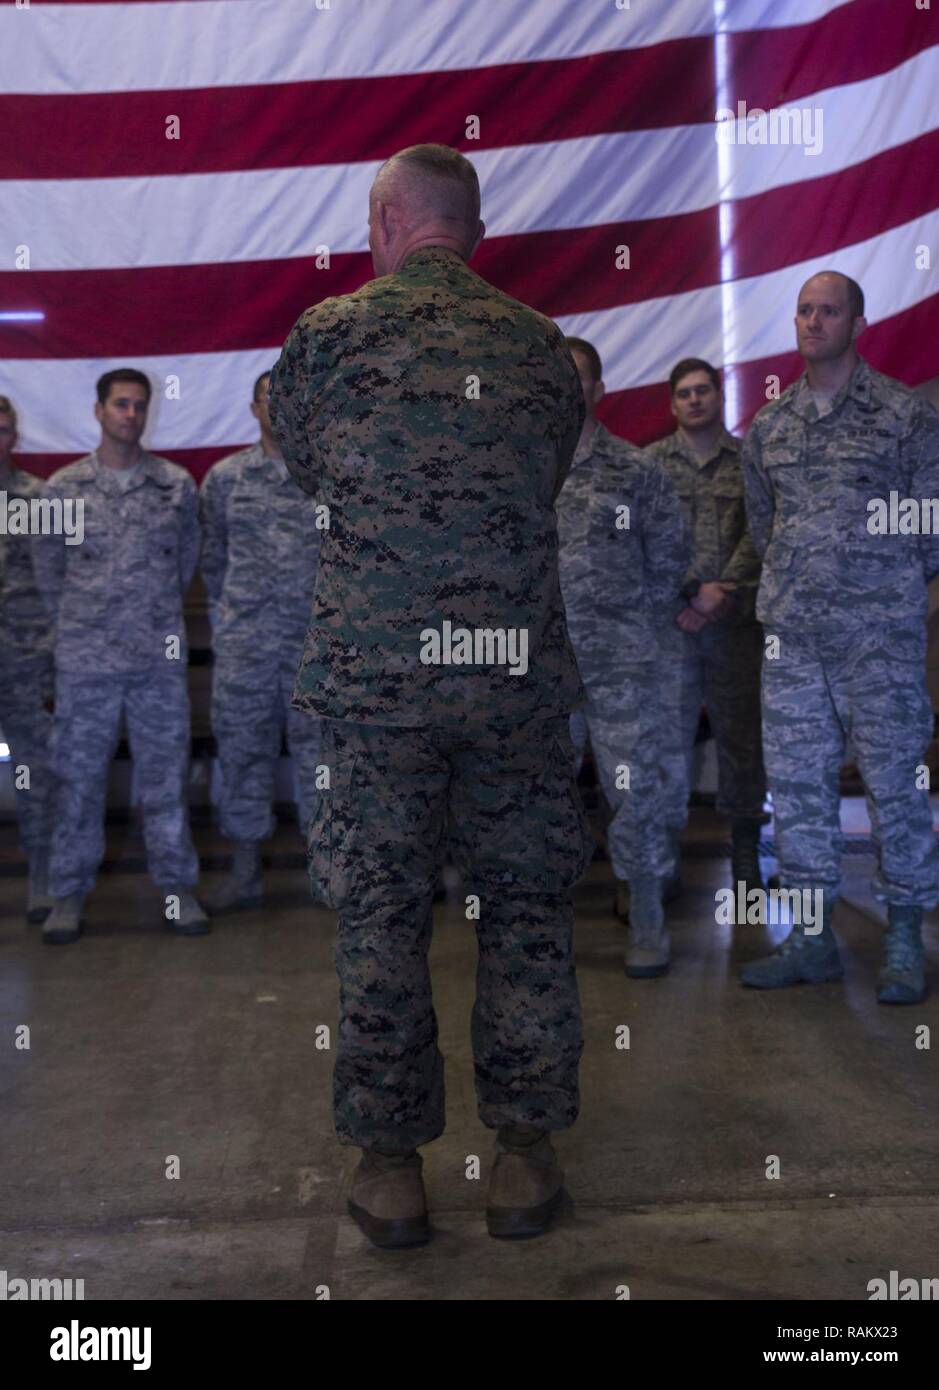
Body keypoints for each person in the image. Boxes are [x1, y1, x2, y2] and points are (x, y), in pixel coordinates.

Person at [268, 143, 593, 1248]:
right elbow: (542, 474)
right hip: (512, 683)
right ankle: (524, 1159)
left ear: (385, 225)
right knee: (529, 915)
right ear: (473, 229)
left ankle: (393, 1168)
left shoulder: (327, 337)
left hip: (378, 687)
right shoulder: (542, 347)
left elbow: (313, 468)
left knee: (380, 918)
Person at [740, 271, 939, 1003]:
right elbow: (764, 527)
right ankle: (810, 938)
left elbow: (934, 526)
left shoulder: (903, 416)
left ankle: (902, 940)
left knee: (895, 787)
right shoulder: (771, 425)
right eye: (803, 310)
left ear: (858, 321)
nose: (813, 321)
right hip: (793, 641)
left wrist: (875, 589)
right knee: (796, 791)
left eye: (829, 310)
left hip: (878, 641)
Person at [31, 369, 207, 944]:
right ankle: (67, 896)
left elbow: (184, 564)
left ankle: (178, 892)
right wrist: (83, 629)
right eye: (120, 404)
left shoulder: (175, 486)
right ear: (99, 410)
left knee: (165, 781)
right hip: (86, 664)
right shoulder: (60, 490)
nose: (130, 415)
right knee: (77, 782)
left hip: (157, 663)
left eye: (139, 405)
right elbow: (47, 571)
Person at [557, 338, 689, 977]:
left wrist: (629, 626)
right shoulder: (522, 470)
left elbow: (668, 562)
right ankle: (541, 930)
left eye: (577, 377)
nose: (566, 386)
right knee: (541, 797)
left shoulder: (636, 471)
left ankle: (647, 918)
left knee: (633, 793)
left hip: (620, 665)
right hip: (543, 670)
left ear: (599, 390)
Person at [199, 371, 324, 913]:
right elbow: (209, 559)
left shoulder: (327, 478)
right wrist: (233, 620)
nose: (277, 407)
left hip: (313, 651)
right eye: (268, 398)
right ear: (253, 409)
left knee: (321, 763)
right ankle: (245, 871)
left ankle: (326, 874)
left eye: (287, 397)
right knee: (243, 757)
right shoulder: (225, 480)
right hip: (247, 650)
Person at [648, 359, 767, 896]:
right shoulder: (649, 467)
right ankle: (665, 855)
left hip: (735, 627)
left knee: (742, 743)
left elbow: (762, 532)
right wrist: (691, 591)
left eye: (703, 391)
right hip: (673, 627)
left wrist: (721, 593)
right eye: (684, 394)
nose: (694, 400)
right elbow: (647, 542)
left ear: (720, 397)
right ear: (672, 405)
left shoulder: (748, 462)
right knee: (667, 743)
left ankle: (744, 854)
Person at [0, 395, 55, 923]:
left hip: (22, 657)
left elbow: (56, 582)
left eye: (2, 429)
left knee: (33, 771)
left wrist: (50, 652)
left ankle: (43, 874)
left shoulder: (38, 500)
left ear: (14, 436)